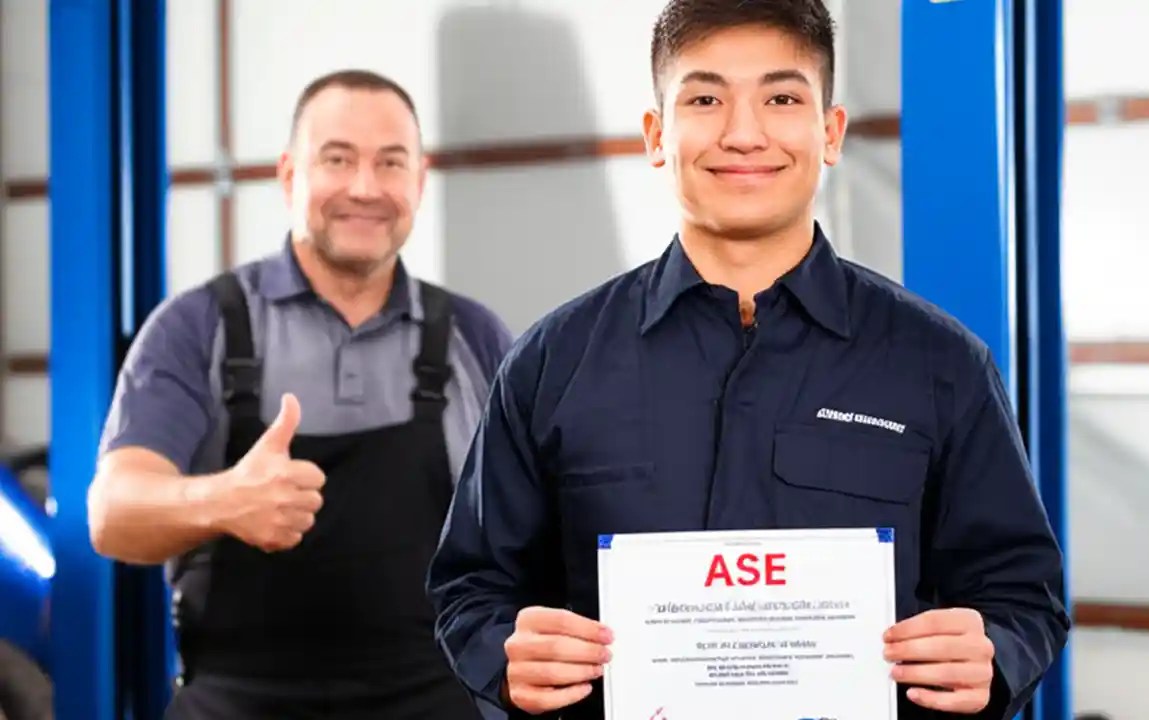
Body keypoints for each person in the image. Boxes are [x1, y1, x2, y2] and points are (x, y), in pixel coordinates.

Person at [427, 1, 1070, 719]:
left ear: (830, 132)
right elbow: (471, 587)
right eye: (704, 98)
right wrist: (507, 653)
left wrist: (994, 655)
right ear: (656, 134)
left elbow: (1024, 597)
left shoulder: (940, 363)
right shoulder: (551, 363)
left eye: (782, 97)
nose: (743, 132)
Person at [87, 69, 511, 719]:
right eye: (337, 159)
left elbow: (533, 532)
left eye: (390, 162)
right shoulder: (200, 328)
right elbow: (113, 515)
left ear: (419, 181)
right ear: (289, 175)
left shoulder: (474, 339)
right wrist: (222, 500)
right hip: (236, 703)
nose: (365, 188)